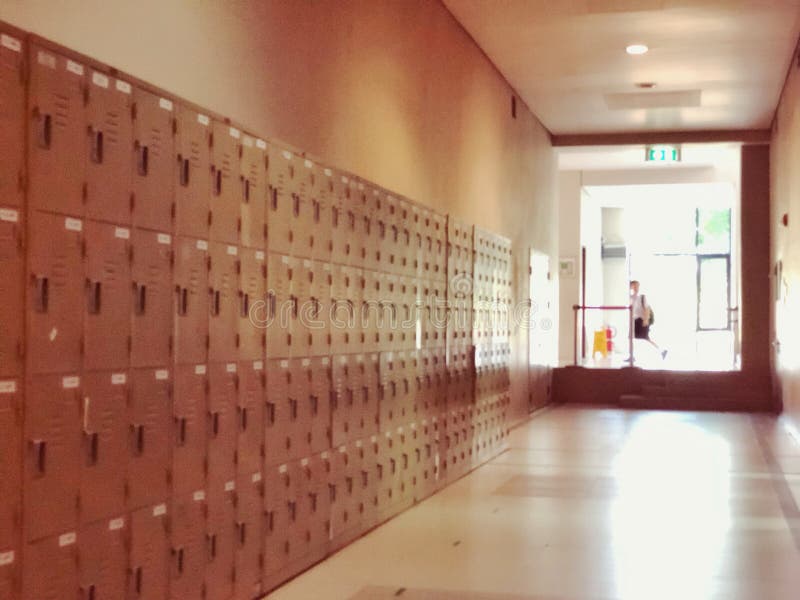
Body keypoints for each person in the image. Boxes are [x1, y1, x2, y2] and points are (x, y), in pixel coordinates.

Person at [630, 280, 667, 359]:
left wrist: (645, 320)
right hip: (634, 321)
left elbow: (647, 309)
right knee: (632, 337)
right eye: (633, 285)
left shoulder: (642, 297)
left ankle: (662, 350)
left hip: (641, 320)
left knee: (645, 338)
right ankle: (632, 356)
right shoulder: (630, 297)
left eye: (637, 285)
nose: (635, 287)